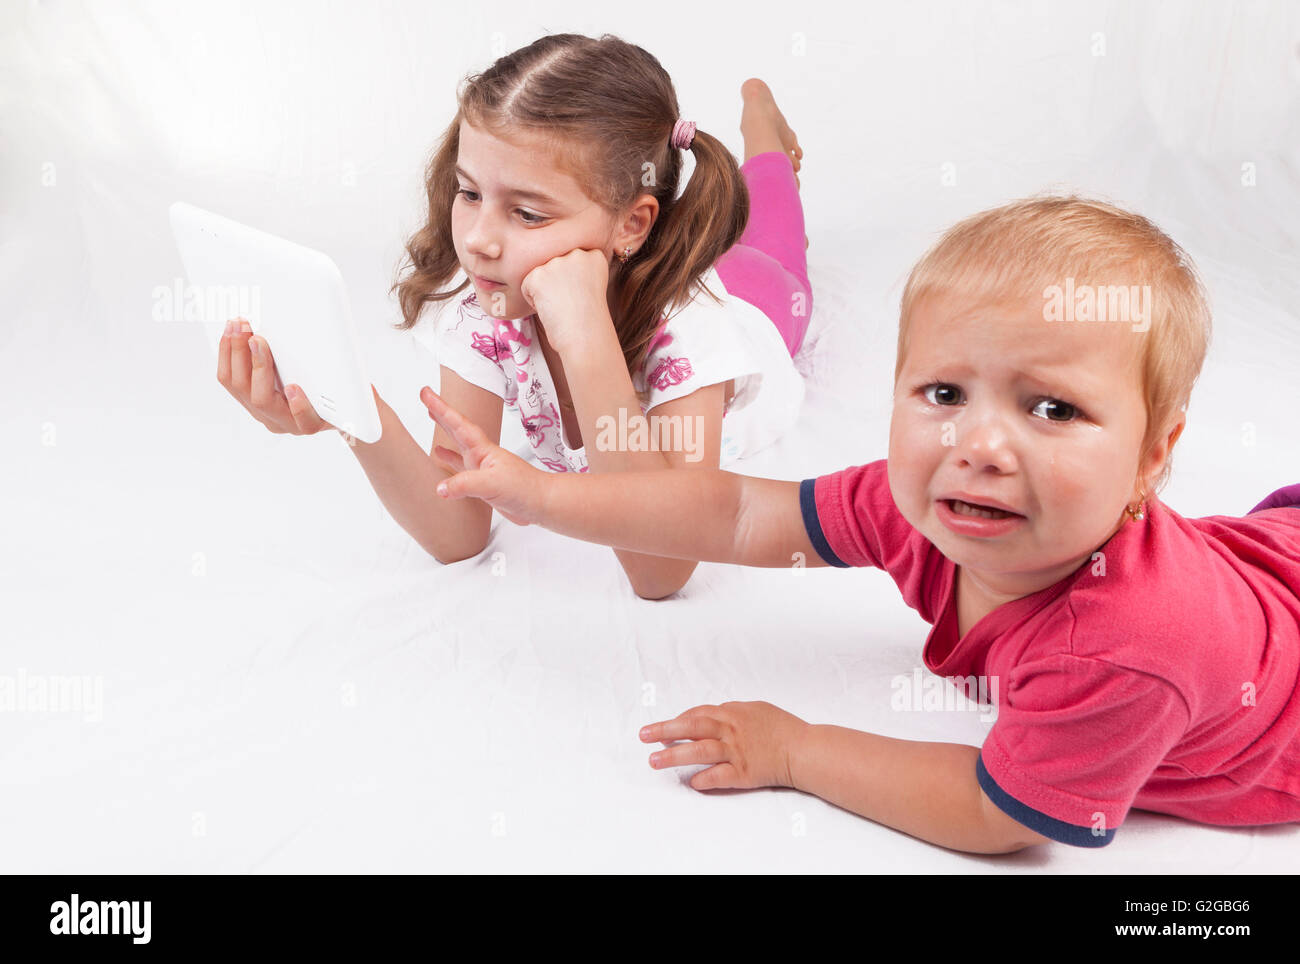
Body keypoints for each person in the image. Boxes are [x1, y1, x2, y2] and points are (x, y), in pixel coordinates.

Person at [422, 196, 1300, 853]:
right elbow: (735, 511)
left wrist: (796, 749)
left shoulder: (1124, 646)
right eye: (945, 394)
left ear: (1153, 458)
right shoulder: (930, 498)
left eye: (1054, 409)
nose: (980, 443)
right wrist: (541, 494)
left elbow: (997, 813)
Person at [217, 33, 813, 600]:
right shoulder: (487, 299)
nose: (478, 240)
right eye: (470, 193)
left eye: (527, 214)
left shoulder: (695, 327)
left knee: (773, 230)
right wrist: (352, 412)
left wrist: (586, 338)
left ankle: (759, 122)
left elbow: (661, 569)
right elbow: (459, 531)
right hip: (642, 260)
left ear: (632, 224)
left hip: (757, 301)